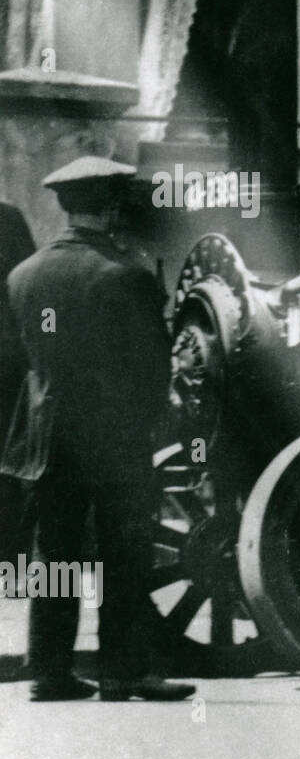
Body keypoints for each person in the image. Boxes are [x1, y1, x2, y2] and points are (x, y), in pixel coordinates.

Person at [1, 157, 195, 702]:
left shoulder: (24, 274)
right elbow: (154, 368)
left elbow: (21, 355)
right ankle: (124, 671)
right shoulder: (124, 274)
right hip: (113, 436)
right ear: (111, 205)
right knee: (125, 552)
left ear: (65, 206)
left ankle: (49, 670)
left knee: (54, 553)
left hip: (45, 436)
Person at [0, 203, 36, 573]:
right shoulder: (9, 217)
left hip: (7, 360)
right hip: (9, 357)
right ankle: (10, 559)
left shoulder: (8, 217)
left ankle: (10, 556)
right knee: (8, 465)